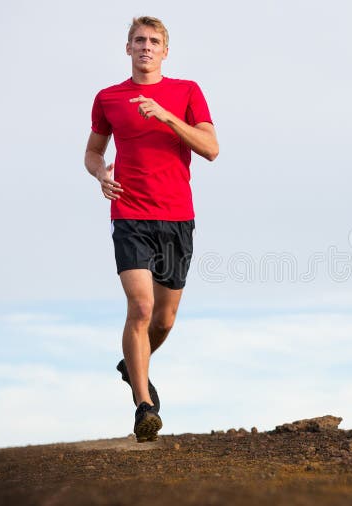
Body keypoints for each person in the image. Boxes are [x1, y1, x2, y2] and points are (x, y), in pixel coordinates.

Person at [84, 16, 219, 442]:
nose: (146, 47)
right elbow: (92, 152)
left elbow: (211, 149)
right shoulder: (108, 98)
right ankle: (144, 406)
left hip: (177, 217)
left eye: (154, 41)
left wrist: (166, 117)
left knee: (164, 319)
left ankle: (132, 364)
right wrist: (99, 174)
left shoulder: (186, 92)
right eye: (139, 40)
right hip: (129, 215)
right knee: (140, 309)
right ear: (128, 49)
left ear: (165, 51)